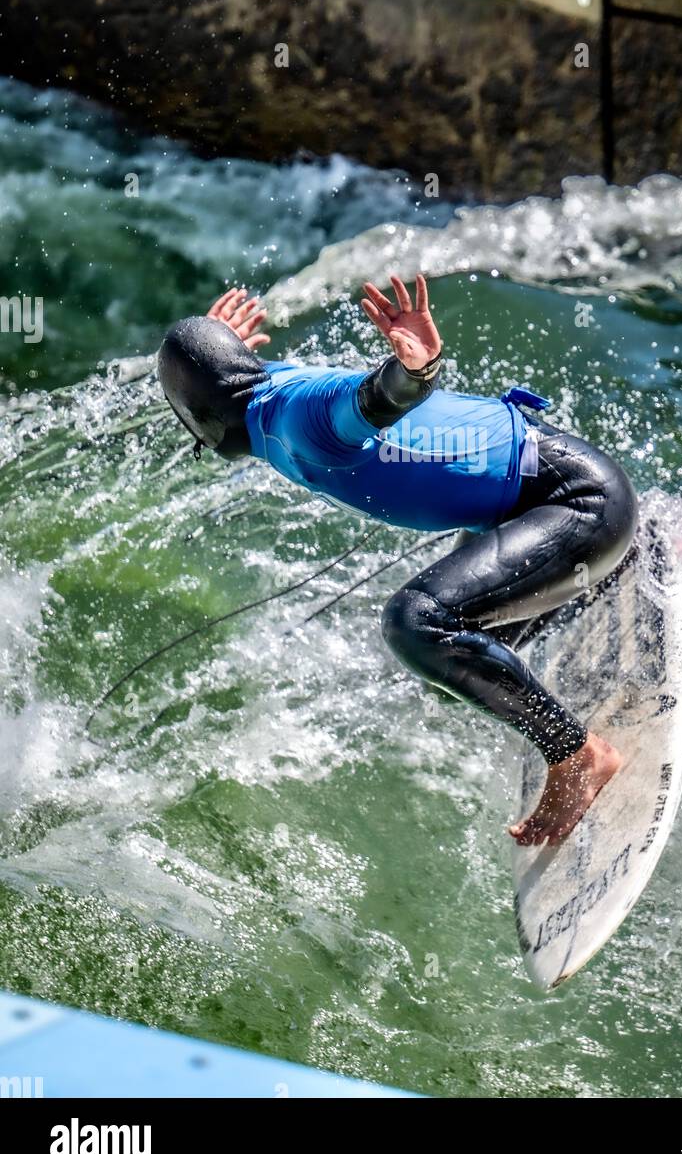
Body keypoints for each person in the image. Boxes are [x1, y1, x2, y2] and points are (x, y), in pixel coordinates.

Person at [157, 276, 638, 844]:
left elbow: (369, 401)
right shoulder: (265, 386)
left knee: (416, 622)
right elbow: (224, 376)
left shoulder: (291, 416)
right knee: (451, 666)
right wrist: (215, 343)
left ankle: (578, 755)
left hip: (579, 503)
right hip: (534, 507)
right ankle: (598, 578)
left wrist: (414, 373)